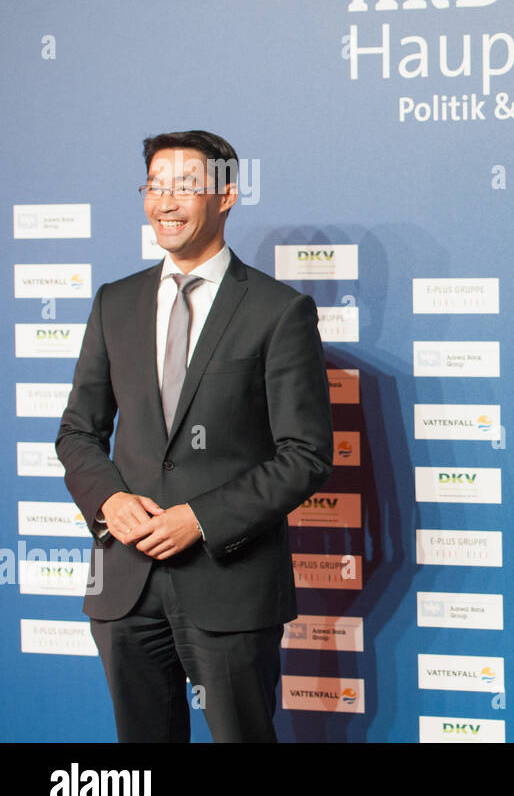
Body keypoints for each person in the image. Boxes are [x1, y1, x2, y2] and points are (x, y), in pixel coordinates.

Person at [57, 130, 333, 742]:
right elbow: (78, 432)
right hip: (124, 582)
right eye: (155, 186)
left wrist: (200, 519)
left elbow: (306, 454)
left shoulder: (277, 310)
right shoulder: (115, 303)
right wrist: (110, 502)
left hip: (229, 583)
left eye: (185, 185)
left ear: (227, 195)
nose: (167, 201)